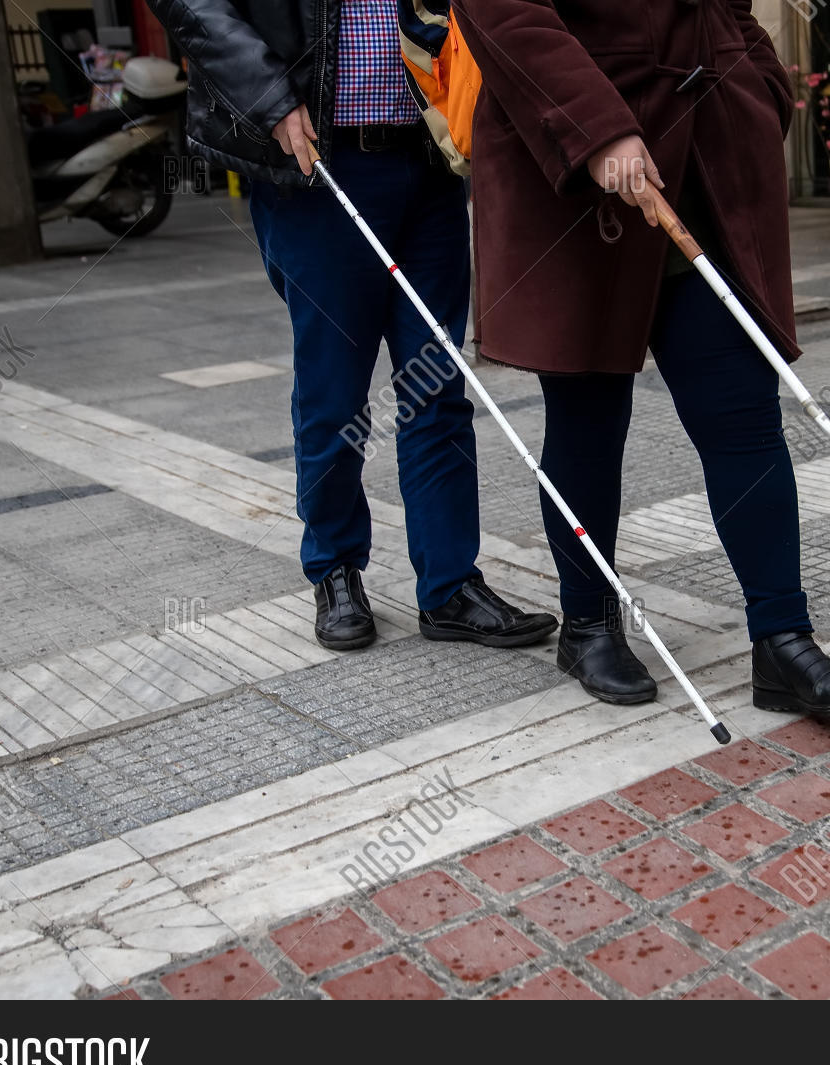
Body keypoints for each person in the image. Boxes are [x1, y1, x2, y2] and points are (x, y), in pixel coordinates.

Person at [455, 0, 830, 714]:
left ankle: (782, 639)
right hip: (580, 186)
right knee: (589, 422)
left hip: (701, 173)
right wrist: (599, 129)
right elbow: (503, 10)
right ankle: (587, 624)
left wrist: (760, 86)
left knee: (743, 411)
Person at [149, 0, 555, 652]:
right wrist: (269, 97)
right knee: (334, 391)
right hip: (317, 163)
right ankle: (335, 568)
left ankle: (450, 584)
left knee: (435, 382)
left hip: (429, 153)